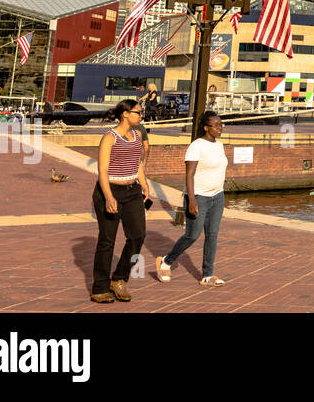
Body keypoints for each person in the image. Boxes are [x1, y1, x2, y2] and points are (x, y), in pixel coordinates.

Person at [156, 111, 228, 286]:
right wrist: (192, 200)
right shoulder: (196, 146)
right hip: (198, 197)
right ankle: (166, 261)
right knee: (192, 235)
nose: (220, 128)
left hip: (217, 196)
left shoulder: (219, 145)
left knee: (212, 235)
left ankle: (207, 275)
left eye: (221, 124)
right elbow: (189, 175)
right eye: (216, 125)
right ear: (206, 127)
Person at [90, 99, 150, 303]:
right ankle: (99, 288)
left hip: (132, 191)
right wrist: (108, 197)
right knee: (107, 241)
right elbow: (103, 171)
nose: (141, 116)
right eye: (138, 113)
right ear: (125, 114)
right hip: (110, 190)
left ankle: (119, 279)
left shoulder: (138, 135)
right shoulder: (109, 137)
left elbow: (138, 164)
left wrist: (144, 185)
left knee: (138, 236)